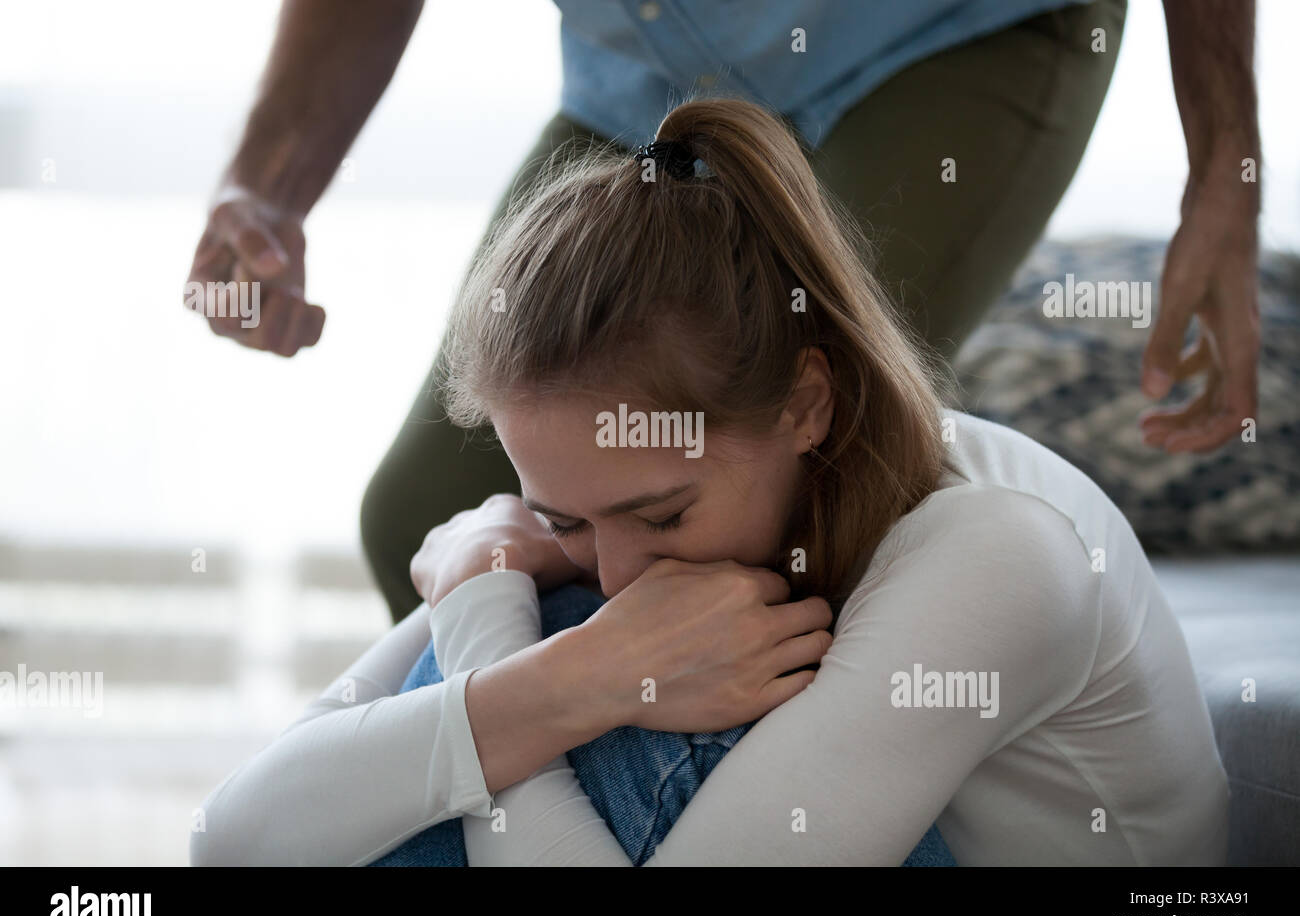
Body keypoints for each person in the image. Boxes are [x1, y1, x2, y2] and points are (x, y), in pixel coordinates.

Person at [191, 99, 1229, 866]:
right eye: (564, 513)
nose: (620, 566)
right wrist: (560, 672)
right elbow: (234, 834)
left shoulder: (996, 552)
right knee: (558, 644)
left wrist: (490, 625)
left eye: (659, 511)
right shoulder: (647, 524)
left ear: (806, 405)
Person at [182, 0, 1262, 625]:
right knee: (420, 515)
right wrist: (266, 184)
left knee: (797, 528)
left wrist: (1224, 169)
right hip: (653, 55)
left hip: (949, 28)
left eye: (636, 523)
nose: (606, 567)